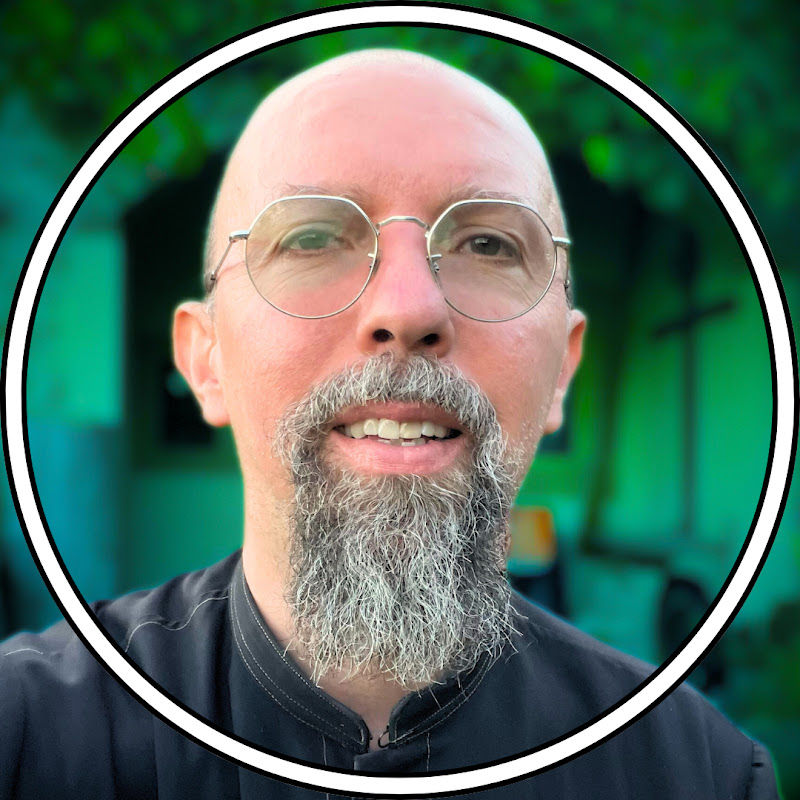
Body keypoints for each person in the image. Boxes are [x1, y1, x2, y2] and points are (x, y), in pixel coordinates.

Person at [0, 49, 777, 799]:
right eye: (312, 237)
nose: (408, 309)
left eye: (486, 243)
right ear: (206, 361)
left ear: (562, 372)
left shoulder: (698, 777)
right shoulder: (23, 739)